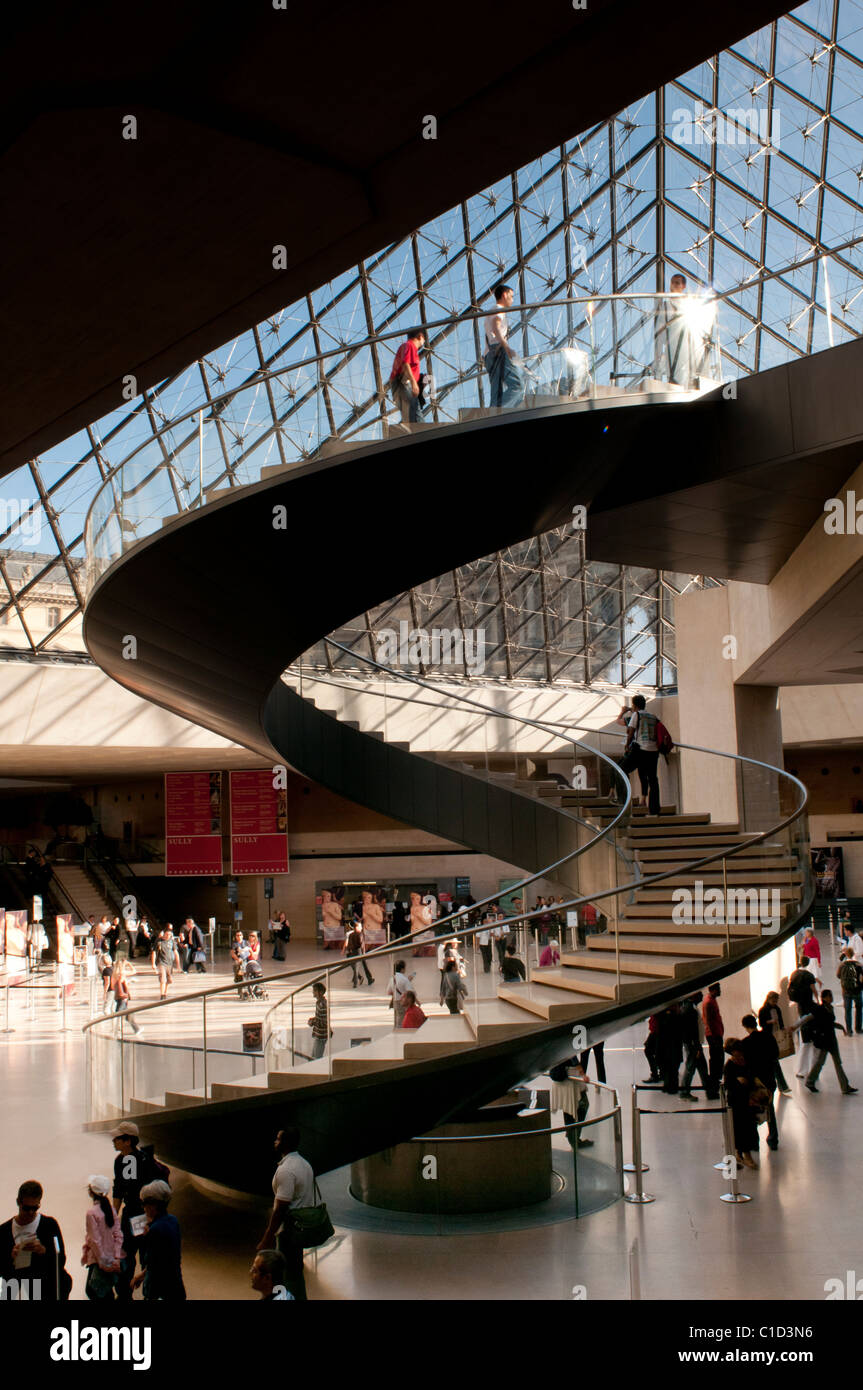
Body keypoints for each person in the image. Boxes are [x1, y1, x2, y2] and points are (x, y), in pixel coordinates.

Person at [110, 1120, 170, 1302]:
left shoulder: (128, 1161)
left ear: (128, 1140)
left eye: (117, 1138)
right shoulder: (134, 1159)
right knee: (141, 1254)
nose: (114, 1141)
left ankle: (129, 1293)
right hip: (142, 1215)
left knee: (130, 1253)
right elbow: (121, 1189)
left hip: (138, 1215)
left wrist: (116, 1215)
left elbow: (123, 1189)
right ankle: (146, 1293)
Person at [258, 1128, 316, 1302]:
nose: (275, 1142)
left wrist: (267, 1236)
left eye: (278, 1139)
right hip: (301, 1228)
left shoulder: (286, 1171)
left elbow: (281, 1208)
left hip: (288, 1232)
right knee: (295, 1273)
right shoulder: (305, 1164)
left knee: (285, 1277)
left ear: (287, 1143)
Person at [0, 1180, 71, 1300]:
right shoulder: (4, 1231)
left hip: (45, 1289)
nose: (31, 1212)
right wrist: (11, 1257)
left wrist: (43, 1251)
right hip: (17, 1290)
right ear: (18, 1202)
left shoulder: (49, 1225)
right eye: (26, 1208)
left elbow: (60, 1260)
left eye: (35, 1208)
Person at [653, 273, 715, 387]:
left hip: (688, 344)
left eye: (677, 283)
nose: (674, 285)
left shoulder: (691, 304)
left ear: (683, 286)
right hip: (672, 343)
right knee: (675, 372)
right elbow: (659, 331)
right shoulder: (665, 306)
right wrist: (658, 356)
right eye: (672, 282)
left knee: (688, 370)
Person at [131, 1180, 185, 1300]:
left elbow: (152, 1262)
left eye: (144, 1203)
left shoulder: (155, 1230)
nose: (143, 1208)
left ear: (153, 1205)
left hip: (159, 1290)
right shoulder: (173, 1220)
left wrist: (146, 1238)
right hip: (176, 1286)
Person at [800, 990, 858, 1095]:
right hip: (825, 1040)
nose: (831, 998)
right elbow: (808, 1018)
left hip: (831, 1039)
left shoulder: (830, 1008)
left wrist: (841, 1028)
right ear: (824, 998)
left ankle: (845, 1087)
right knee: (820, 1062)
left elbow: (830, 1023)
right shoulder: (820, 1009)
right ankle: (810, 1081)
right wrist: (794, 1026)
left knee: (836, 1063)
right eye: (829, 996)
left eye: (831, 995)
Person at [740, 1015, 779, 1150]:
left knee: (753, 1109)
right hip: (769, 1077)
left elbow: (744, 1063)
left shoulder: (745, 1043)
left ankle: (754, 1142)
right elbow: (776, 1054)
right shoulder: (768, 1037)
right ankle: (773, 1138)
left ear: (745, 1027)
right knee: (769, 1107)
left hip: (755, 1080)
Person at [82, 1175, 124, 1299]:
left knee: (93, 1290)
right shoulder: (111, 1209)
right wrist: (116, 1257)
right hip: (111, 1257)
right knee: (104, 1290)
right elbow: (118, 1234)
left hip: (98, 1259)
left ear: (91, 1191)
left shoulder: (91, 1213)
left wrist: (102, 1262)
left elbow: (95, 1240)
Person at [617, 695, 660, 816]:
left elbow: (631, 732)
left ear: (634, 705)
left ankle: (624, 799)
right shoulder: (653, 716)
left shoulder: (637, 715)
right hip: (653, 751)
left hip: (640, 749)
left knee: (621, 770)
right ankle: (654, 810)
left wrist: (627, 745)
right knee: (653, 779)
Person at [723, 1039, 763, 1170]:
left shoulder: (747, 1063)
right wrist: (738, 1082)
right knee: (740, 1130)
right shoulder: (729, 1066)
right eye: (736, 1054)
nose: (738, 1056)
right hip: (737, 1103)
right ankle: (745, 1155)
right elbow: (728, 1085)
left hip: (748, 1101)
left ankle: (742, 1154)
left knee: (748, 1129)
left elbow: (753, 1078)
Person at [483, 282, 524, 408]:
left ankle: (493, 413)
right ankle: (498, 411)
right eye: (511, 296)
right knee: (517, 386)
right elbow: (496, 327)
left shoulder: (490, 311)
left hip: (488, 354)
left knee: (496, 392)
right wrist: (506, 347)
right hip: (498, 350)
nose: (512, 299)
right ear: (504, 295)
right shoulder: (499, 310)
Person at [549, 1060, 593, 1149]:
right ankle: (573, 1138)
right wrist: (583, 1074)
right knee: (582, 1106)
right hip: (571, 1078)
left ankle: (571, 1135)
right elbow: (573, 1058)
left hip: (560, 1078)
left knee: (568, 1108)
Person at [679, 992, 715, 1100]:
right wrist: (696, 1046)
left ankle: (709, 1091)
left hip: (695, 1044)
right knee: (691, 1067)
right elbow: (691, 1031)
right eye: (699, 995)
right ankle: (684, 1092)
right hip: (693, 1045)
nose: (701, 996)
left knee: (702, 1068)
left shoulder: (690, 1008)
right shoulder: (689, 1010)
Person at [789, 955, 820, 1079]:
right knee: (811, 1044)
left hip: (800, 1006)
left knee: (804, 1042)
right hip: (808, 1006)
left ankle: (801, 1070)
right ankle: (812, 1070)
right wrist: (818, 1000)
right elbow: (814, 989)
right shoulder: (809, 976)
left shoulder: (794, 974)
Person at [388, 327, 426, 430]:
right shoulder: (410, 346)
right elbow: (405, 364)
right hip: (404, 382)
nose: (424, 341)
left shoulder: (404, 346)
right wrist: (414, 382)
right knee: (415, 415)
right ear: (420, 336)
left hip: (399, 383)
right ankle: (422, 435)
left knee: (409, 416)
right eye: (424, 338)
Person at [758, 991, 792, 1093]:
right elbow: (761, 1023)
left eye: (776, 1000)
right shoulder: (764, 1010)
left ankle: (781, 1086)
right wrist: (771, 1022)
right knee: (774, 1062)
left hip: (775, 1036)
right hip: (768, 1037)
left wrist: (783, 1029)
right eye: (774, 1000)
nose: (775, 1002)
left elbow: (781, 1021)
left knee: (774, 1062)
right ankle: (782, 1086)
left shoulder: (777, 1009)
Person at [703, 982, 725, 1097]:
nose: (720, 991)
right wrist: (715, 1035)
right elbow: (709, 1021)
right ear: (713, 990)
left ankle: (715, 1084)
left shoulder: (711, 1000)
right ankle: (713, 1088)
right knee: (716, 1061)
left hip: (716, 1034)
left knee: (717, 1060)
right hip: (714, 1036)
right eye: (719, 989)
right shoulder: (708, 1002)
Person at [656, 1003, 684, 1094]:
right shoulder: (676, 1017)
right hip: (673, 1047)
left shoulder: (662, 1016)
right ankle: (672, 1087)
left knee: (668, 1067)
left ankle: (667, 1085)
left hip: (666, 1047)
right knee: (673, 1068)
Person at [837, 949, 863, 1036]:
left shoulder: (842, 965)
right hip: (857, 990)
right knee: (859, 1009)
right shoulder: (858, 964)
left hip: (846, 990)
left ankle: (849, 1030)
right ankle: (858, 1029)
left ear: (846, 954)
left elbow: (838, 975)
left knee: (847, 1010)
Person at [111, 959, 141, 1035]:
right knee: (119, 1012)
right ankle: (117, 1029)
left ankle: (136, 1029)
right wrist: (129, 964)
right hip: (123, 997)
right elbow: (134, 971)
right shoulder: (122, 974)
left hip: (117, 997)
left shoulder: (113, 975)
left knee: (127, 1013)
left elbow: (113, 986)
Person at [151, 925, 180, 1000]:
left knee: (169, 979)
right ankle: (162, 994)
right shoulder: (159, 941)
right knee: (163, 979)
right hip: (161, 962)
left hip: (170, 963)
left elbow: (176, 952)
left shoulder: (172, 942)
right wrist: (153, 963)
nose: (168, 936)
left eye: (170, 935)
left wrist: (178, 965)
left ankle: (165, 992)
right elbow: (154, 952)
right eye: (167, 934)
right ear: (164, 934)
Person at [343, 919, 373, 987]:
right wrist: (364, 953)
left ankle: (356, 982)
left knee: (356, 967)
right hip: (359, 951)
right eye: (360, 927)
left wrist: (349, 950)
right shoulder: (360, 934)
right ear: (356, 927)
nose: (361, 928)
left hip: (353, 952)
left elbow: (349, 945)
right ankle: (369, 979)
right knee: (364, 966)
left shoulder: (351, 934)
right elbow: (362, 944)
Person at [387, 959, 415, 1027]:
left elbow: (389, 992)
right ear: (402, 969)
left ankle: (396, 1033)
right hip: (403, 1002)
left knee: (397, 1020)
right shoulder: (404, 979)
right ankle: (400, 1034)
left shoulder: (392, 978)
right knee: (402, 1021)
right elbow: (410, 991)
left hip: (395, 1002)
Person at [308, 981, 330, 1059]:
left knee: (317, 1057)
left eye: (314, 990)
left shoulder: (322, 1004)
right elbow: (320, 1017)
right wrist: (313, 1019)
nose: (313, 992)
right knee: (314, 1055)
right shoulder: (319, 1003)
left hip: (321, 1035)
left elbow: (323, 1021)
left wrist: (312, 1022)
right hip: (319, 1034)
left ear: (320, 992)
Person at [643, 1014, 662, 1083]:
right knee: (653, 1052)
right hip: (656, 1030)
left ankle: (655, 1074)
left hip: (657, 1031)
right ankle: (659, 1073)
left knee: (649, 1051)